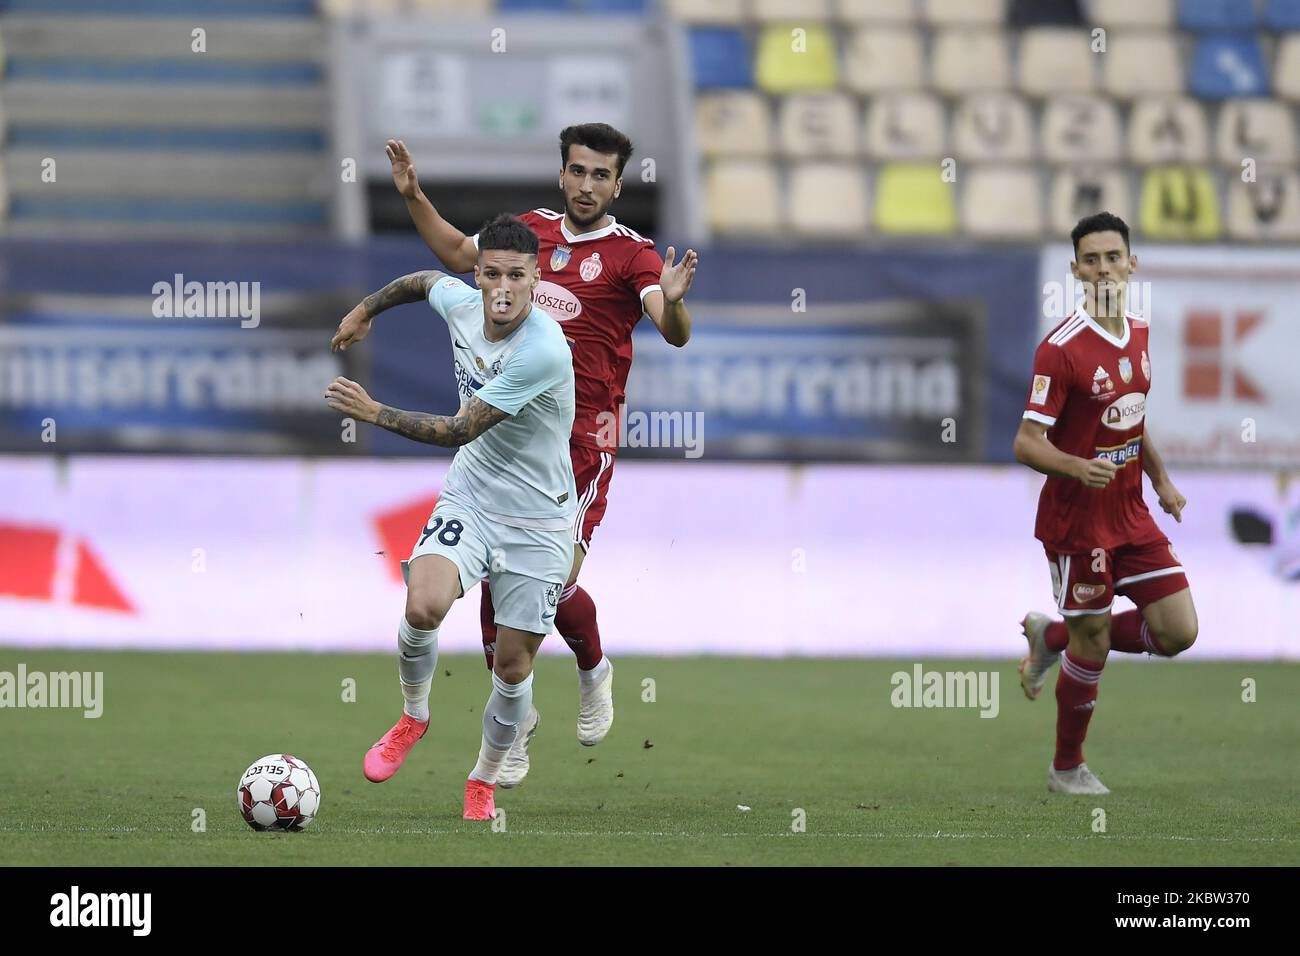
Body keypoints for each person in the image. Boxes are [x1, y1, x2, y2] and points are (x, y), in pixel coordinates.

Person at [385, 123, 697, 784]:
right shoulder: (529, 234)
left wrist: (671, 306)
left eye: (601, 176)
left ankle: (593, 667)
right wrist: (414, 196)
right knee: (498, 575)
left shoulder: (632, 255)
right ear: (563, 174)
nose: (587, 185)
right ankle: (515, 718)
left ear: (618, 184)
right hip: (506, 436)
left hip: (583, 443)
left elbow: (672, 332)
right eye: (578, 171)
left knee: (553, 585)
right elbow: (450, 253)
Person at [326, 214, 575, 820]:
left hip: (539, 523)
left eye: (517, 276)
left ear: (535, 279)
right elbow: (420, 281)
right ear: (480, 273)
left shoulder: (541, 348)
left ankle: (482, 780)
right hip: (471, 496)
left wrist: (375, 411)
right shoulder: (462, 302)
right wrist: (365, 309)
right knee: (422, 604)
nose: (503, 288)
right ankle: (413, 717)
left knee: (513, 665)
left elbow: (460, 428)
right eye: (491, 274)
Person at [1014, 212, 1199, 795]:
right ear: (1075, 271)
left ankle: (1052, 639)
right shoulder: (1060, 350)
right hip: (1077, 522)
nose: (1102, 269)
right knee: (1093, 640)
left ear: (1131, 264)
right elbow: (1025, 442)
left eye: (1112, 257)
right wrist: (1076, 466)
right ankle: (1066, 767)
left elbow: (1132, 420)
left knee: (1177, 633)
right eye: (1090, 260)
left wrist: (1162, 481)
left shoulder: (1140, 335)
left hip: (1131, 513)